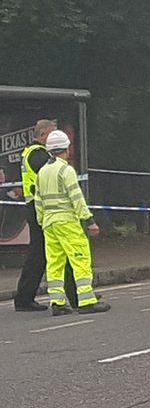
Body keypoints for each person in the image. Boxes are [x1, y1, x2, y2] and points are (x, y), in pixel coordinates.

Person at [35, 130, 109, 315]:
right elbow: (76, 197)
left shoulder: (42, 172)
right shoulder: (66, 170)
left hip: (49, 223)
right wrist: (89, 220)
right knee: (80, 258)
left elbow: (38, 200)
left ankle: (57, 302)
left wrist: (42, 220)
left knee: (54, 263)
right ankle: (86, 301)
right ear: (67, 149)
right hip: (67, 221)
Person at [13, 120, 77, 312]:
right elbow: (53, 174)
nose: (56, 137)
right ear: (42, 135)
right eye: (52, 133)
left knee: (40, 255)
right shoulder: (37, 154)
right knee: (55, 251)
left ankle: (25, 298)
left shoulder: (35, 153)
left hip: (40, 208)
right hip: (41, 208)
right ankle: (76, 295)